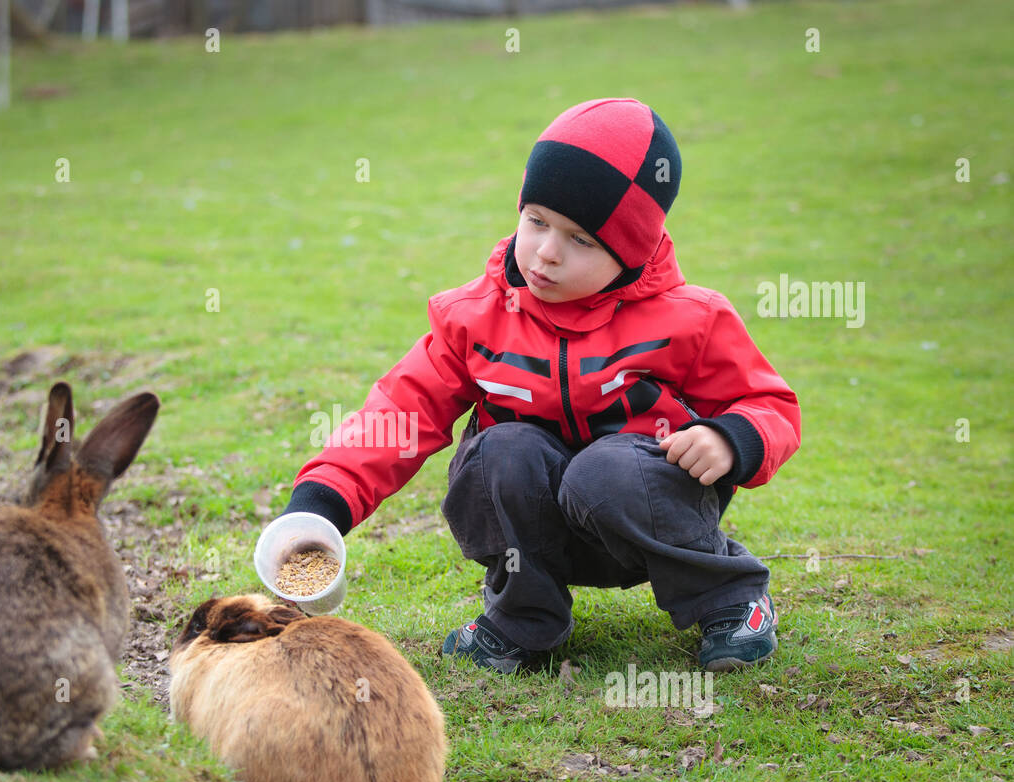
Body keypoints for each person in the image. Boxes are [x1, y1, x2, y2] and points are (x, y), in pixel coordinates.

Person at [274, 98, 801, 674]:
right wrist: (321, 504)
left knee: (605, 470)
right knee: (504, 447)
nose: (547, 253)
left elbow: (769, 403)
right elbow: (402, 410)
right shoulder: (473, 318)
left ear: (632, 251)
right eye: (537, 221)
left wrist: (730, 438)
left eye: (582, 240)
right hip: (535, 533)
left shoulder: (689, 319)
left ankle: (731, 599)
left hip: (643, 518)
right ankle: (525, 618)